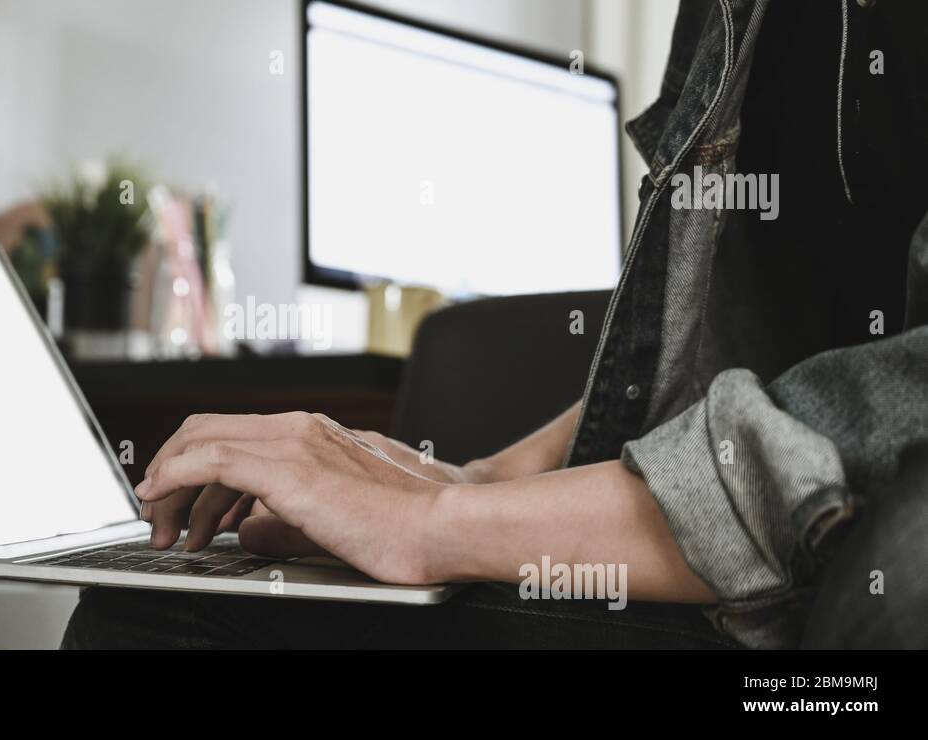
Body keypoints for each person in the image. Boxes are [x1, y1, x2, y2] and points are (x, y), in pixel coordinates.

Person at [63, 0, 928, 650]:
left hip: (843, 593)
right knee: (192, 598)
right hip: (732, 561)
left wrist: (434, 526)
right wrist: (480, 483)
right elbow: (729, 355)